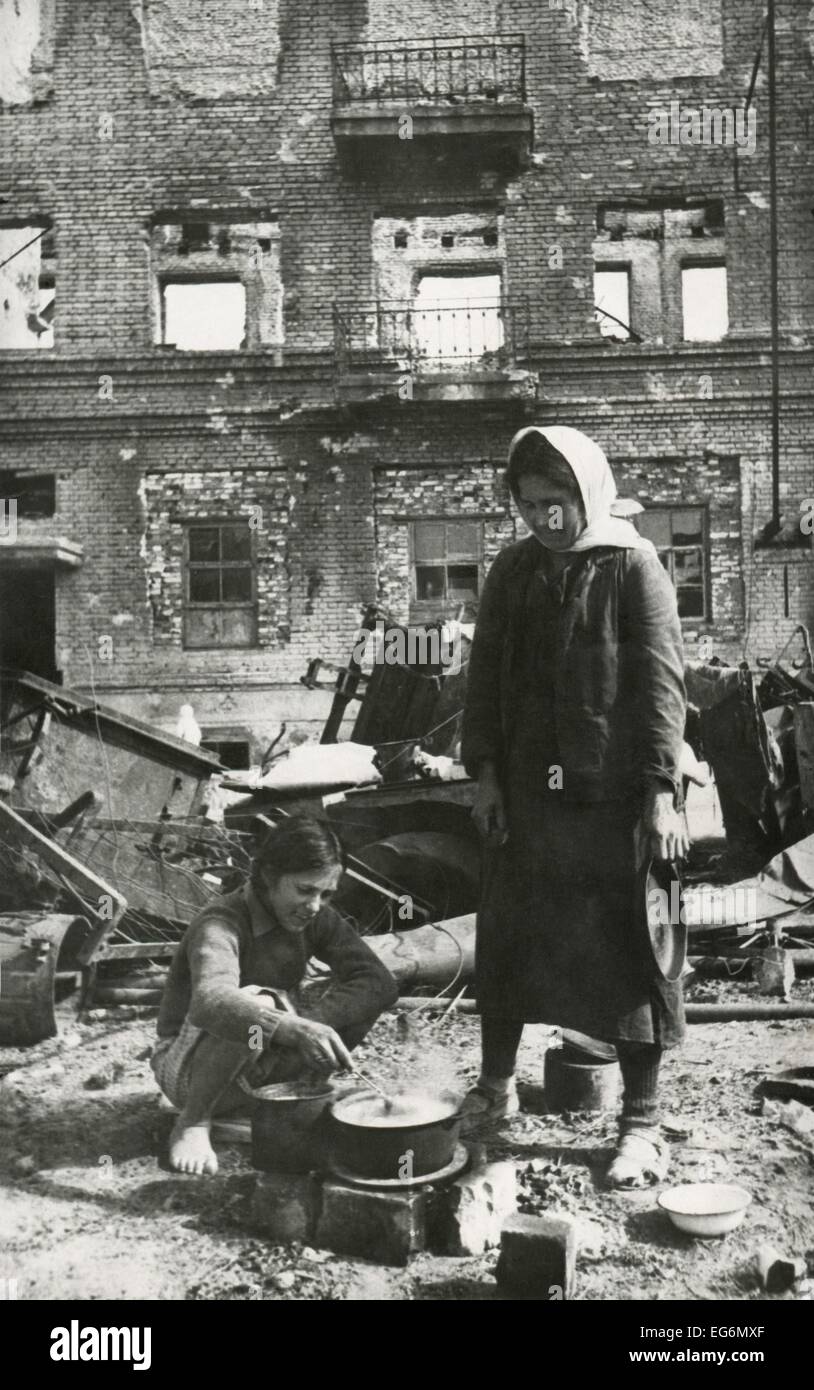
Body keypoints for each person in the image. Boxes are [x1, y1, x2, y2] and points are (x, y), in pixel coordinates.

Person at [460, 425, 689, 1187]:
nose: (543, 519)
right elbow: (484, 682)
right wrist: (486, 777)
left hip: (614, 804)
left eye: (556, 503)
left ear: (587, 493)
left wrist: (661, 794)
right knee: (510, 945)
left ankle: (641, 1124)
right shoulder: (514, 572)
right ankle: (494, 1094)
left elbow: (661, 689)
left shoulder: (633, 567)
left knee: (630, 955)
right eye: (528, 504)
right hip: (527, 802)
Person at [151, 815, 399, 1175]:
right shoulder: (221, 921)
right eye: (304, 890)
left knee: (358, 998)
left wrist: (312, 1026)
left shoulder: (313, 916)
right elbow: (210, 1002)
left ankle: (283, 1096)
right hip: (187, 1070)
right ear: (268, 877)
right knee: (255, 1006)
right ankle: (192, 1122)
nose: (314, 905)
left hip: (255, 1067)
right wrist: (293, 1029)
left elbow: (378, 981)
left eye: (326, 894)